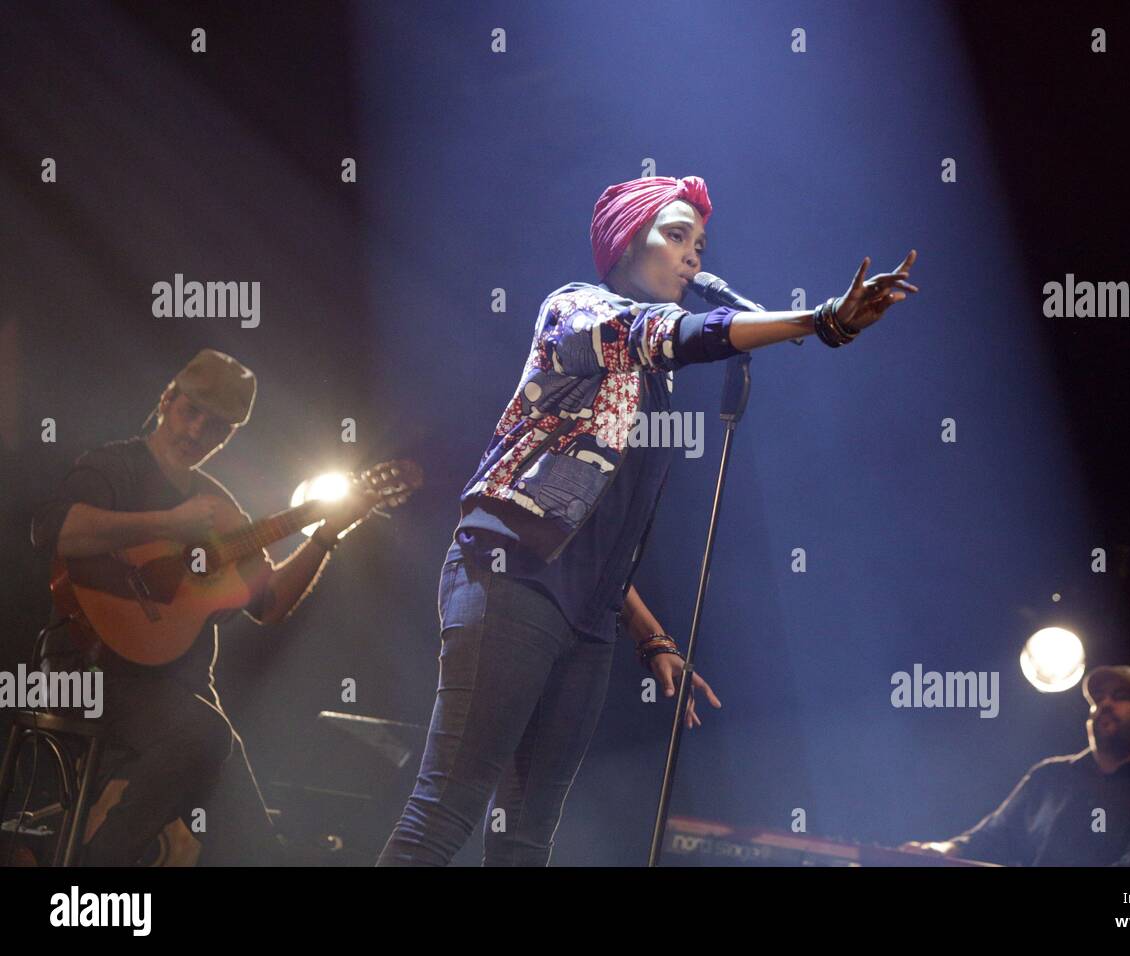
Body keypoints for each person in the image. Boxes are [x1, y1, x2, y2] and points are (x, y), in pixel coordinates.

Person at [377, 174, 920, 866]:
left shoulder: (651, 380)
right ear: (628, 239)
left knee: (525, 837)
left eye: (700, 243)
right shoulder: (576, 310)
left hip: (588, 617)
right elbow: (668, 334)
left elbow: (591, 527)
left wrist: (652, 637)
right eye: (676, 235)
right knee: (447, 805)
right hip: (511, 578)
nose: (694, 257)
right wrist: (820, 320)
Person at [29, 348, 380, 865]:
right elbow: (54, 531)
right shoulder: (112, 467)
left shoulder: (221, 507)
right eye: (190, 412)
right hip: (88, 668)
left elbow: (270, 603)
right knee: (205, 736)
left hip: (178, 689)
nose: (196, 433)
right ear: (167, 399)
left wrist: (327, 535)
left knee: (254, 838)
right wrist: (168, 524)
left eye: (215, 427)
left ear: (228, 436)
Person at [900, 665, 1130, 866]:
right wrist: (943, 850)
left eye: (1120, 697)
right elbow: (993, 836)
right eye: (1098, 698)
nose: (1104, 704)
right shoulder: (1049, 776)